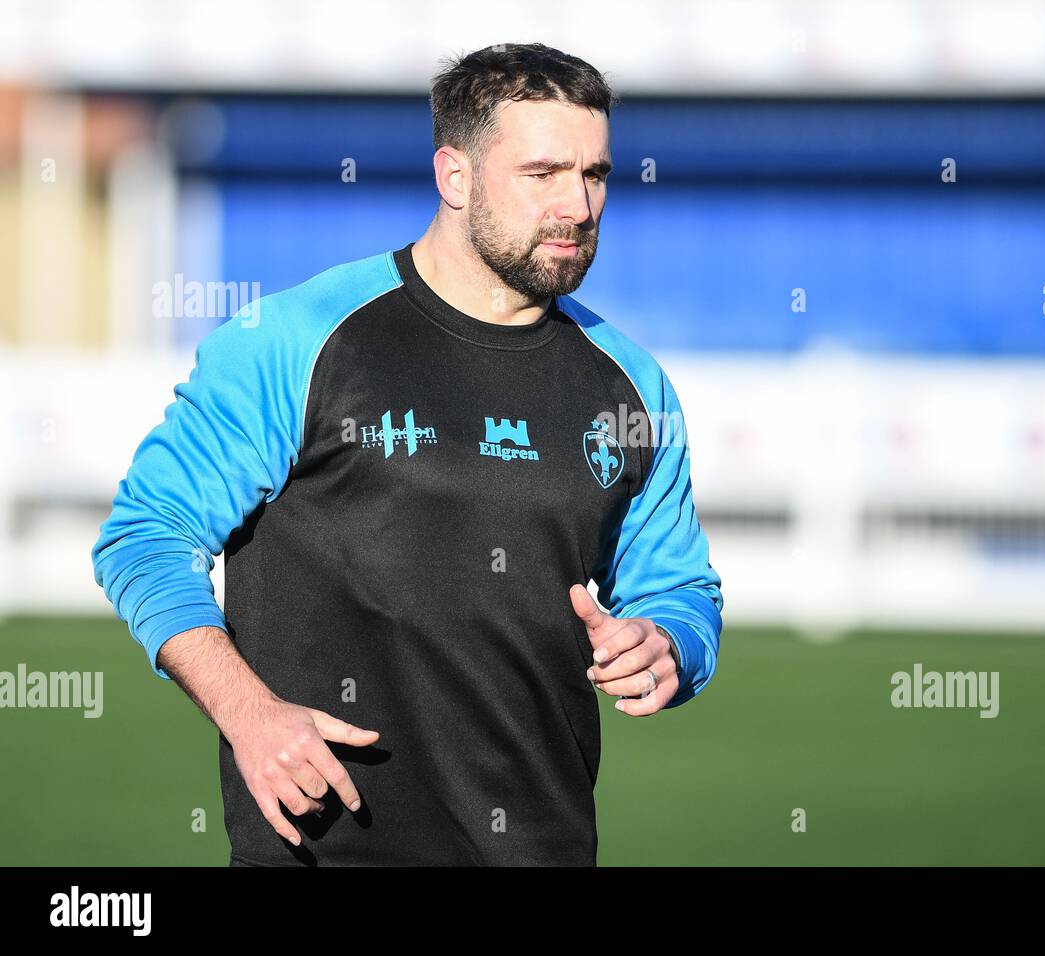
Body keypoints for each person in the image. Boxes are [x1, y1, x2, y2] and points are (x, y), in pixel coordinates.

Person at [91, 42, 723, 866]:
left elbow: (679, 590)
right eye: (542, 173)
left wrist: (667, 641)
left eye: (595, 174)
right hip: (323, 850)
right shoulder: (295, 340)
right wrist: (248, 713)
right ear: (454, 177)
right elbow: (145, 537)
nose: (578, 204)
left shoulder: (633, 385)